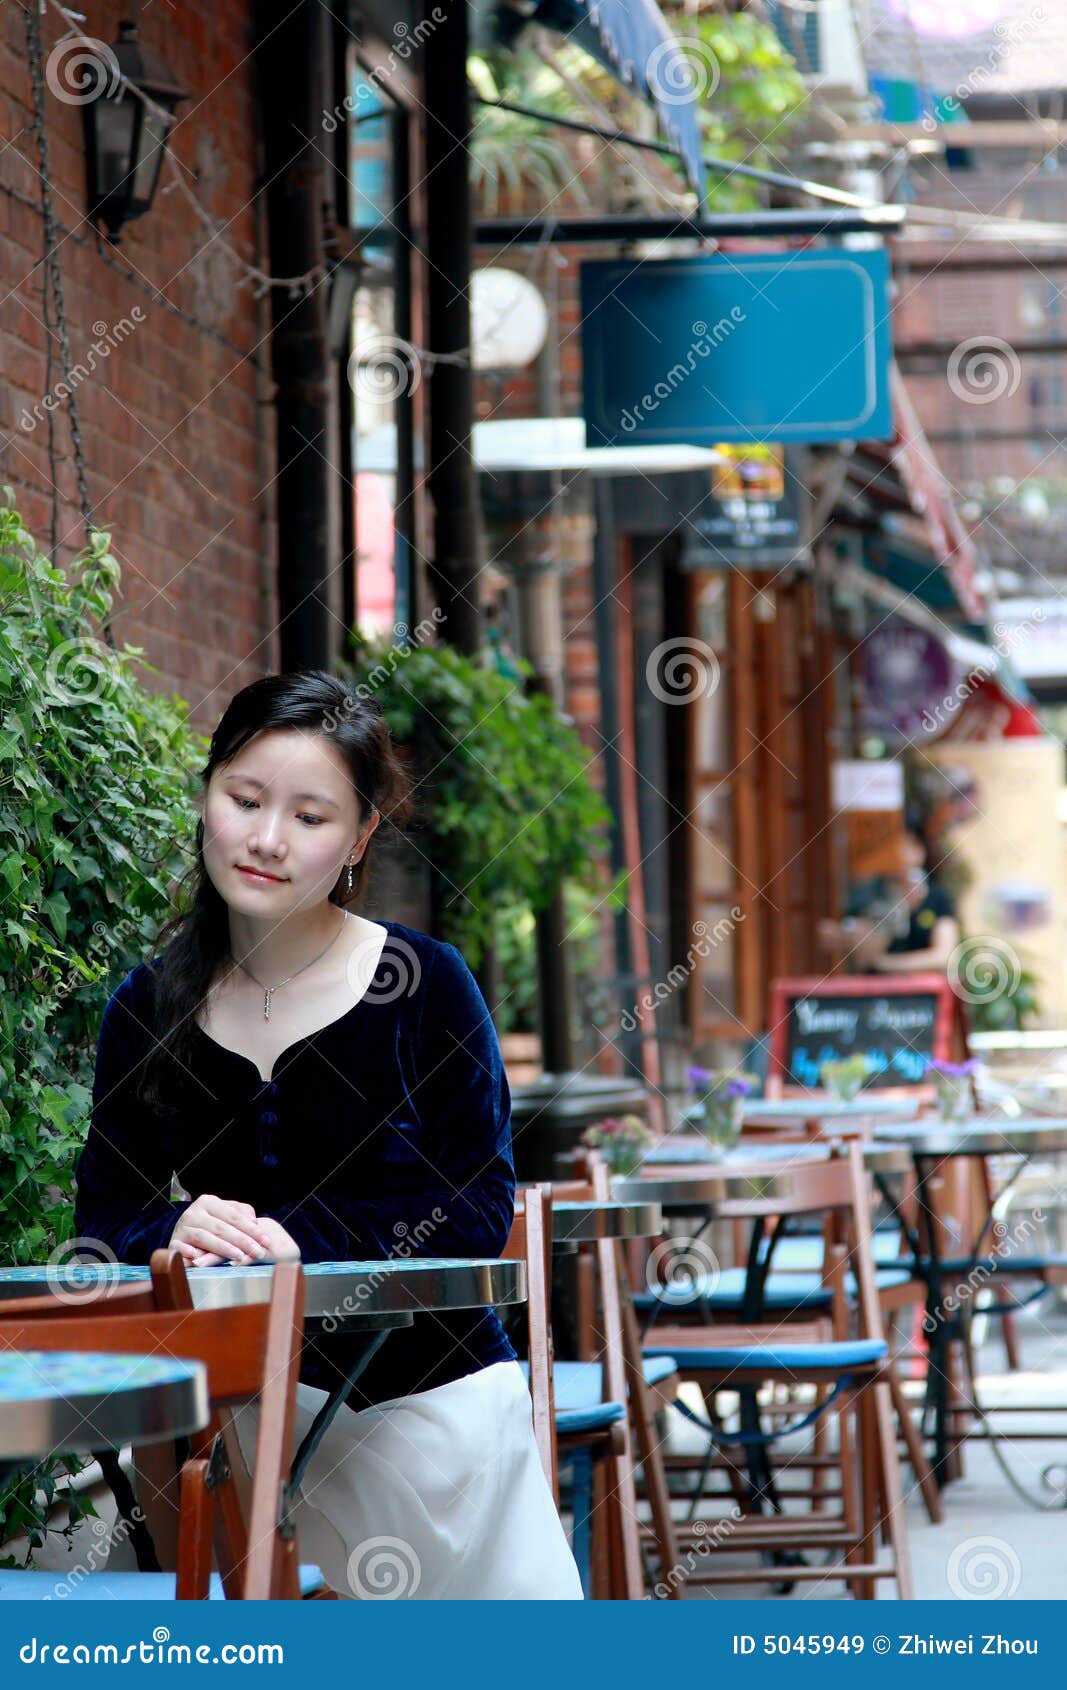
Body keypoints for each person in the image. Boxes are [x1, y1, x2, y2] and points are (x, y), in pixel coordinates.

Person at [74, 670, 582, 1601]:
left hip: (430, 1400)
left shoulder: (426, 985)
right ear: (206, 795)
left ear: (359, 838)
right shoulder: (148, 1009)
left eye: (310, 817)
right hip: (232, 1408)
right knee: (193, 1483)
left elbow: (473, 1207)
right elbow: (104, 1221)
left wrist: (299, 1237)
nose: (267, 840)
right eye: (245, 799)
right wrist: (171, 1232)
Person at [818, 821, 960, 975]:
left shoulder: (937, 897)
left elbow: (943, 957)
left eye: (902, 846)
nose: (895, 854)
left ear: (919, 851)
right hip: (871, 989)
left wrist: (886, 963)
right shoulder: (871, 890)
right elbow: (864, 954)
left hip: (919, 993)